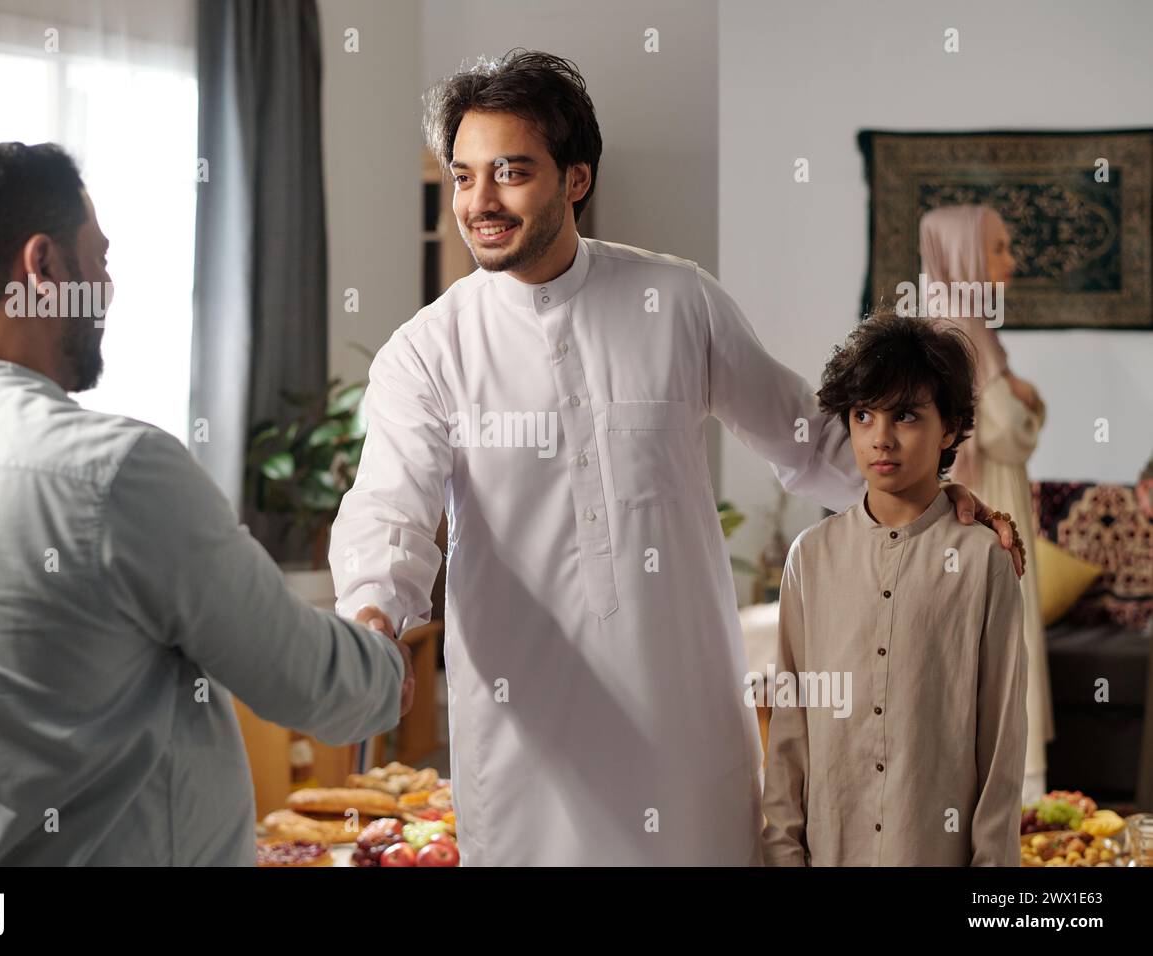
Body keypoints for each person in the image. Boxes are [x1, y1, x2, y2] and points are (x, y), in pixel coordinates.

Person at [328, 50, 1022, 865]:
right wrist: (374, 613)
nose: (480, 202)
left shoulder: (677, 303)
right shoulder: (427, 353)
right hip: (526, 741)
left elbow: (807, 439)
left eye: (511, 173)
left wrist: (937, 502)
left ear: (576, 177)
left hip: (683, 725)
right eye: (464, 176)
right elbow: (390, 510)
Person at [0, 142, 412, 866]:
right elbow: (310, 682)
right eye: (100, 258)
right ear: (44, 267)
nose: (109, 286)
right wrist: (385, 664)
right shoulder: (114, 473)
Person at [761, 311, 1027, 866]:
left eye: (905, 416)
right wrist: (783, 855)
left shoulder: (983, 561)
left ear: (950, 428)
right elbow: (789, 732)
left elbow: (1001, 744)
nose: (880, 438)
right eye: (863, 415)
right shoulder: (809, 559)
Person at [920, 203, 1051, 803]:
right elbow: (1003, 430)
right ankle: (1014, 800)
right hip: (985, 504)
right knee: (1003, 634)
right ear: (966, 254)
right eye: (998, 247)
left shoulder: (936, 313)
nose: (1010, 261)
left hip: (957, 504)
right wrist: (1031, 401)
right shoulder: (961, 320)